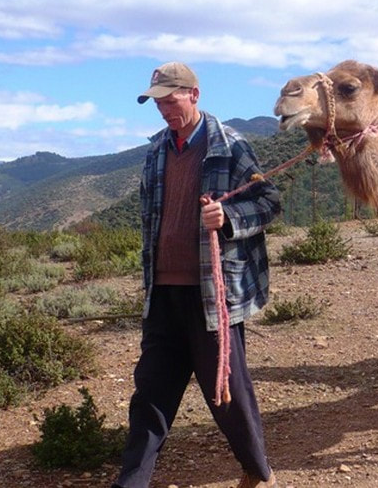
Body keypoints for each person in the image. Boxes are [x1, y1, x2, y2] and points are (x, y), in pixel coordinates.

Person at [113, 61, 281, 488]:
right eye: (158, 103)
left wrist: (227, 215)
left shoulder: (232, 146)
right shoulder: (155, 152)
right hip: (163, 293)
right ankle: (131, 482)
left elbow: (269, 203)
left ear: (194, 94)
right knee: (150, 393)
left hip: (213, 296)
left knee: (228, 394)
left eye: (171, 100)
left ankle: (258, 472)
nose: (165, 110)